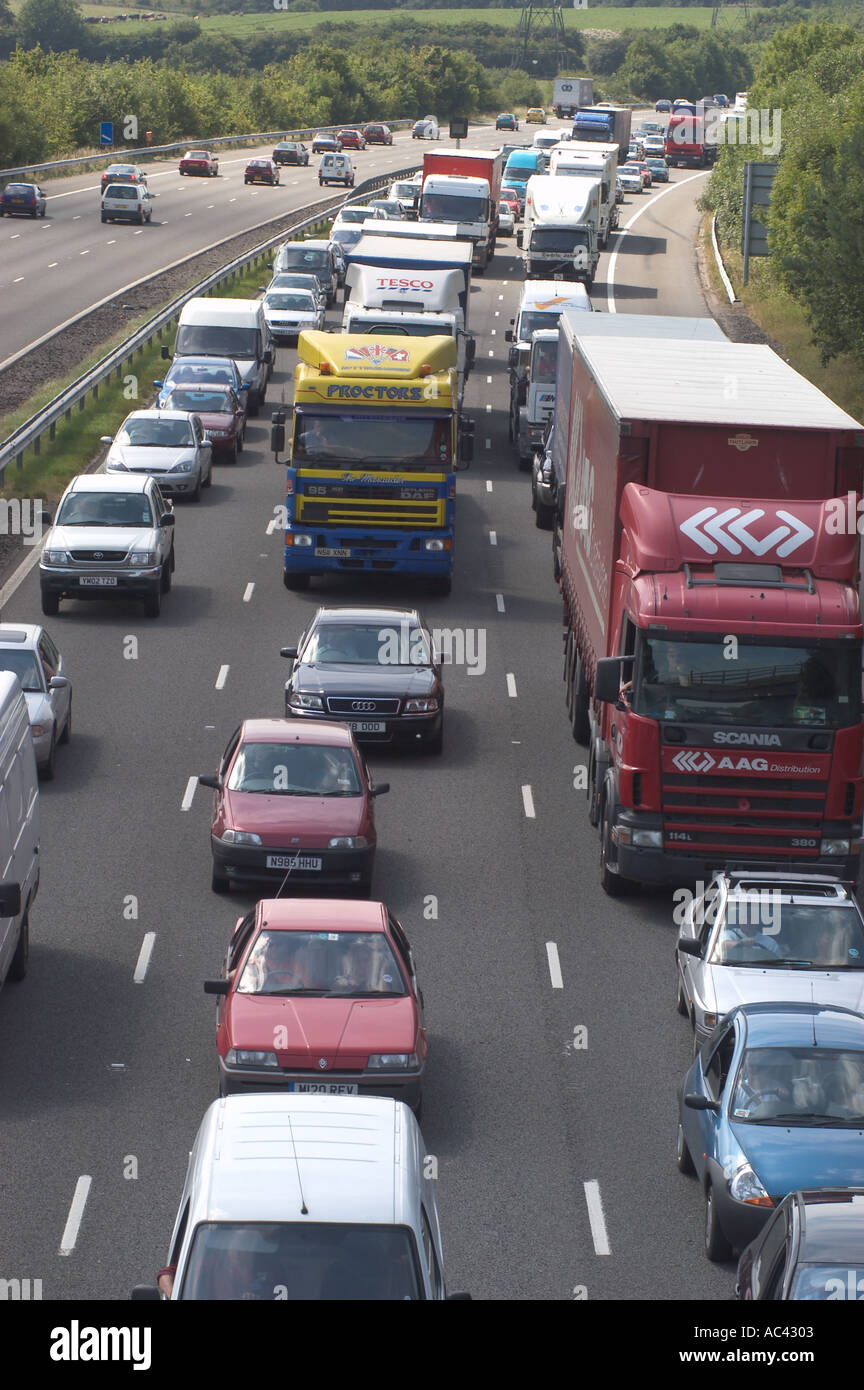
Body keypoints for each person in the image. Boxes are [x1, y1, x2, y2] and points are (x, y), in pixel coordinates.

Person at [733, 1054, 790, 1119]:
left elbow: (786, 1113)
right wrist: (745, 1114)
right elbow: (732, 1114)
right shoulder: (736, 1090)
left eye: (760, 1067)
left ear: (767, 1069)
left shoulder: (778, 1087)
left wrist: (786, 1097)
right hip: (745, 1124)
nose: (755, 1069)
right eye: (751, 1066)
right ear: (746, 1067)